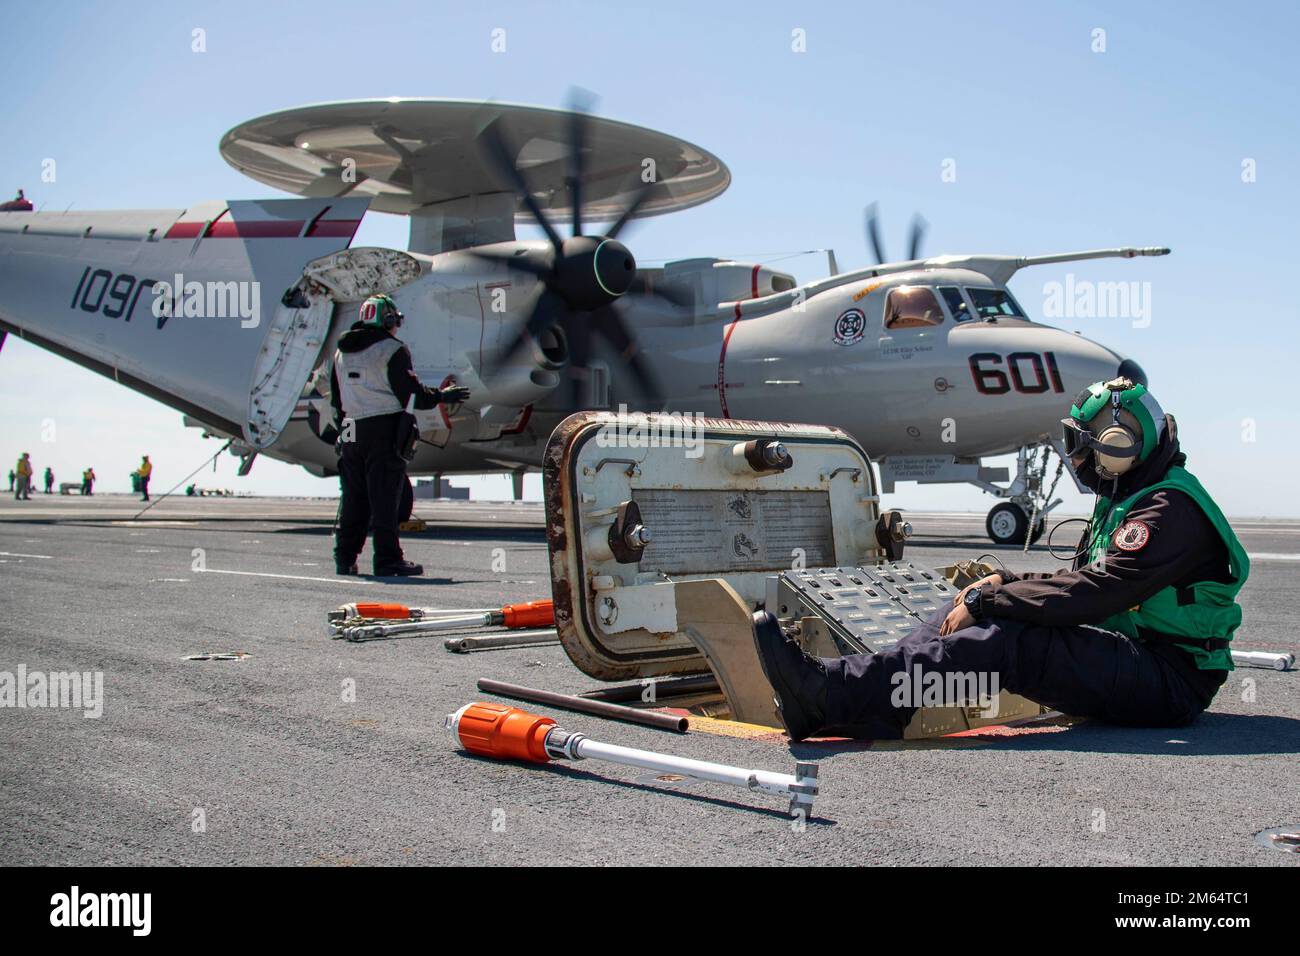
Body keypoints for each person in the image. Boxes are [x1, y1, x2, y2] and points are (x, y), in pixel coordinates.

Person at [753, 377, 1248, 740]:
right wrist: (998, 584)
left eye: (1080, 445)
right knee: (965, 602)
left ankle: (826, 697)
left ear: (1117, 448)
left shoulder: (1167, 510)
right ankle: (870, 702)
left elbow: (1099, 594)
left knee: (1006, 638)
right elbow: (1083, 579)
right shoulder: (1135, 497)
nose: (1075, 459)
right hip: (1137, 656)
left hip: (1170, 681)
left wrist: (996, 602)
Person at [329, 294, 470, 576]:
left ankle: (344, 558)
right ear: (389, 320)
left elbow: (337, 401)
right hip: (383, 426)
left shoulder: (340, 353)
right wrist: (443, 395)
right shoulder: (393, 350)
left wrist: (343, 436)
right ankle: (387, 560)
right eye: (396, 321)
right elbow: (411, 394)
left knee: (353, 498)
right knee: (384, 498)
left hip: (351, 428)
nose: (397, 327)